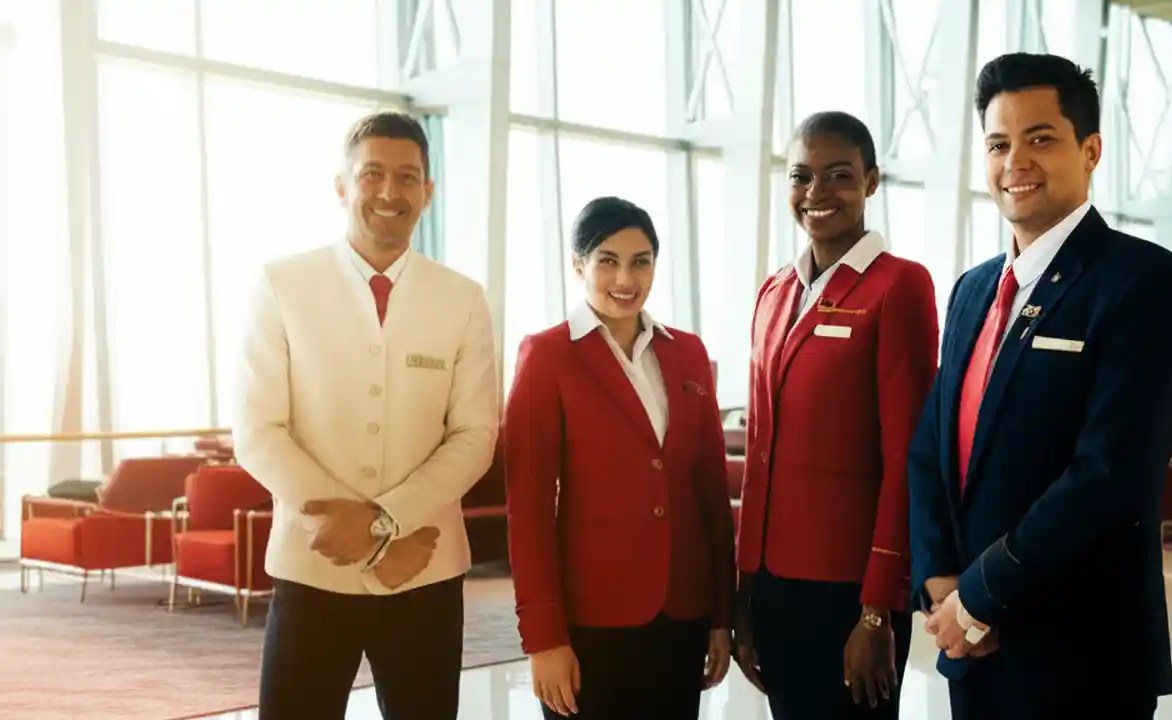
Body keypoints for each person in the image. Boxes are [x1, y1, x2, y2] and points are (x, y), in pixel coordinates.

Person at [908, 52, 1172, 720]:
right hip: (973, 647)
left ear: (1090, 149)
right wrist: (939, 580)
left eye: (1040, 139)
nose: (1016, 162)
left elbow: (1110, 473)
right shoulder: (972, 290)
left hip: (1081, 652)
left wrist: (982, 593)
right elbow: (933, 446)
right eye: (999, 144)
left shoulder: (1143, 281)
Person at [232, 110, 499, 719]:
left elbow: (474, 435)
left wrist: (382, 521)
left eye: (407, 178)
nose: (389, 192)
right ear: (342, 185)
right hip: (312, 568)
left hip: (427, 572)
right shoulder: (282, 284)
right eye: (372, 173)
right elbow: (257, 430)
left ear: (428, 192)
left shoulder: (461, 298)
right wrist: (365, 535)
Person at [733, 111, 939, 719]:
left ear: (872, 182)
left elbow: (907, 457)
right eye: (802, 176)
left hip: (849, 593)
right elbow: (759, 455)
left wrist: (878, 608)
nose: (817, 193)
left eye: (839, 175)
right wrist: (745, 591)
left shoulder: (898, 287)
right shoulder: (774, 293)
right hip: (774, 585)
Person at [504, 196, 736, 720]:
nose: (625, 278)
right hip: (591, 620)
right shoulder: (548, 357)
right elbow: (529, 510)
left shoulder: (687, 353)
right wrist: (544, 639)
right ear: (578, 264)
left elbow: (710, 497)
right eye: (607, 260)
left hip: (681, 612)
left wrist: (721, 616)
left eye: (641, 260)